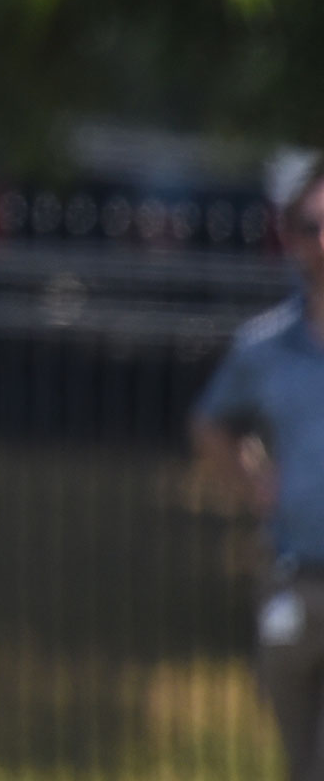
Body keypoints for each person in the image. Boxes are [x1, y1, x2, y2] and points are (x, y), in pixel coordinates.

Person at [192, 154, 324, 781]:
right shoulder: (265, 346)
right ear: (291, 236)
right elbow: (211, 424)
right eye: (309, 224)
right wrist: (255, 484)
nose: (322, 239)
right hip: (292, 579)